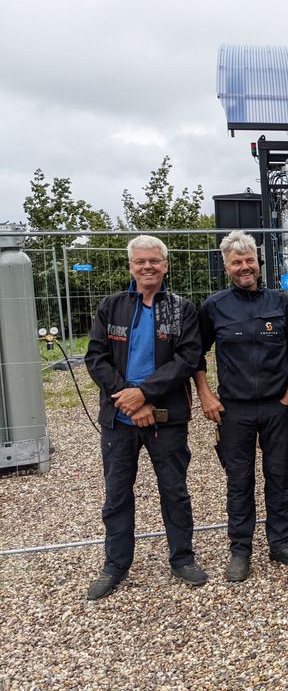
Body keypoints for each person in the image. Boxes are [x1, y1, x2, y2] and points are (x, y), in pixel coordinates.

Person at [84, 235, 206, 600]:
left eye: (154, 260)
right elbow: (95, 358)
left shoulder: (181, 309)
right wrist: (129, 399)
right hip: (119, 418)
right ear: (131, 266)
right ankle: (115, 564)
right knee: (117, 494)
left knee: (175, 490)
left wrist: (145, 394)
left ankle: (182, 558)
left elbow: (187, 358)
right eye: (140, 261)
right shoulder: (111, 306)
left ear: (165, 265)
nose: (147, 267)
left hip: (166, 418)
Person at [193, 231, 288, 582]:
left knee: (279, 475)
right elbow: (195, 354)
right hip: (234, 410)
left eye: (249, 260)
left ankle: (281, 543)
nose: (244, 267)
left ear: (258, 264)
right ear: (226, 267)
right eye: (237, 262)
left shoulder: (280, 303)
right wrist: (205, 394)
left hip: (277, 406)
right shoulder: (214, 307)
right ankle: (240, 550)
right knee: (239, 480)